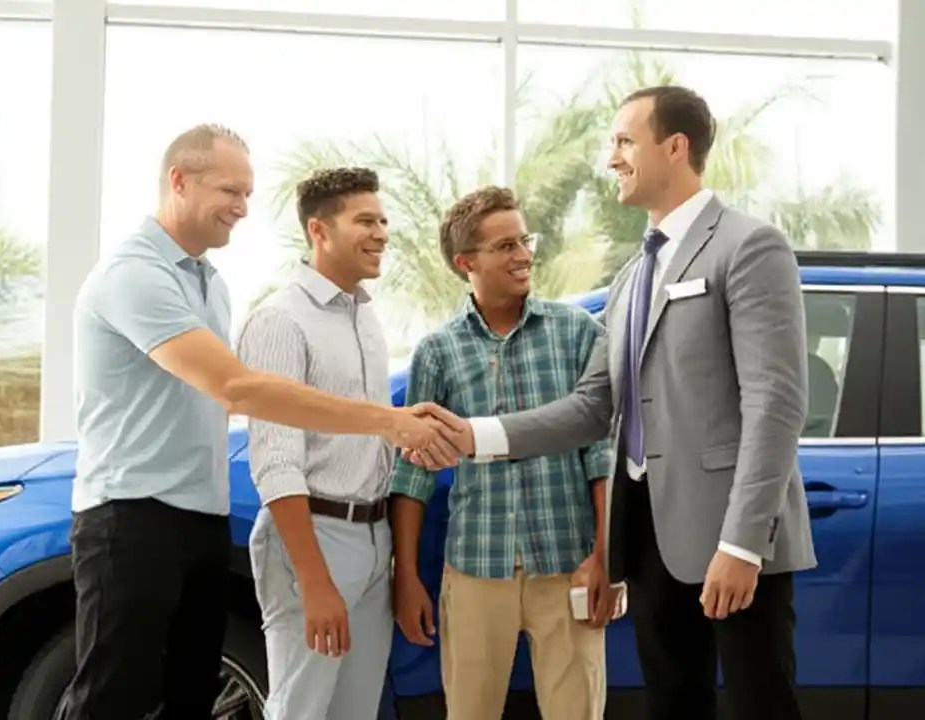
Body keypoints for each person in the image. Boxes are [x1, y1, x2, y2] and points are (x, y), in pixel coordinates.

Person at [412, 86, 816, 720]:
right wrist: (472, 436)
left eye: (626, 141)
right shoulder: (635, 274)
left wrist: (743, 545)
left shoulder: (748, 246)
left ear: (675, 146)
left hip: (730, 540)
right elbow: (592, 407)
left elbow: (777, 402)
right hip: (651, 540)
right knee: (672, 705)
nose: (612, 158)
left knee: (760, 704)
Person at [67, 124, 464, 719]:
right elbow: (237, 388)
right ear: (179, 180)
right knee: (111, 701)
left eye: (248, 195)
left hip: (200, 519)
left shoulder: (210, 284)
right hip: (130, 520)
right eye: (231, 191)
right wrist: (388, 422)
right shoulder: (134, 275)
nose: (243, 209)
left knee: (190, 700)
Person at [389, 185, 617, 720]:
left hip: (567, 563)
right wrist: (406, 577)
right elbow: (413, 474)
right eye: (506, 246)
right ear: (467, 262)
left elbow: (600, 453)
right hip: (474, 568)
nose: (524, 255)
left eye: (525, 240)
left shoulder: (577, 333)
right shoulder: (438, 352)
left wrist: (604, 557)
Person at [235, 166, 397, 719]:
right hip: (317, 541)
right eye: (364, 221)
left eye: (382, 220)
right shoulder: (280, 322)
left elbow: (369, 432)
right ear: (319, 231)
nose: (380, 233)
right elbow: (276, 461)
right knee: (300, 709)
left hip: (375, 539)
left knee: (355, 712)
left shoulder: (366, 319)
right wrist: (315, 581)